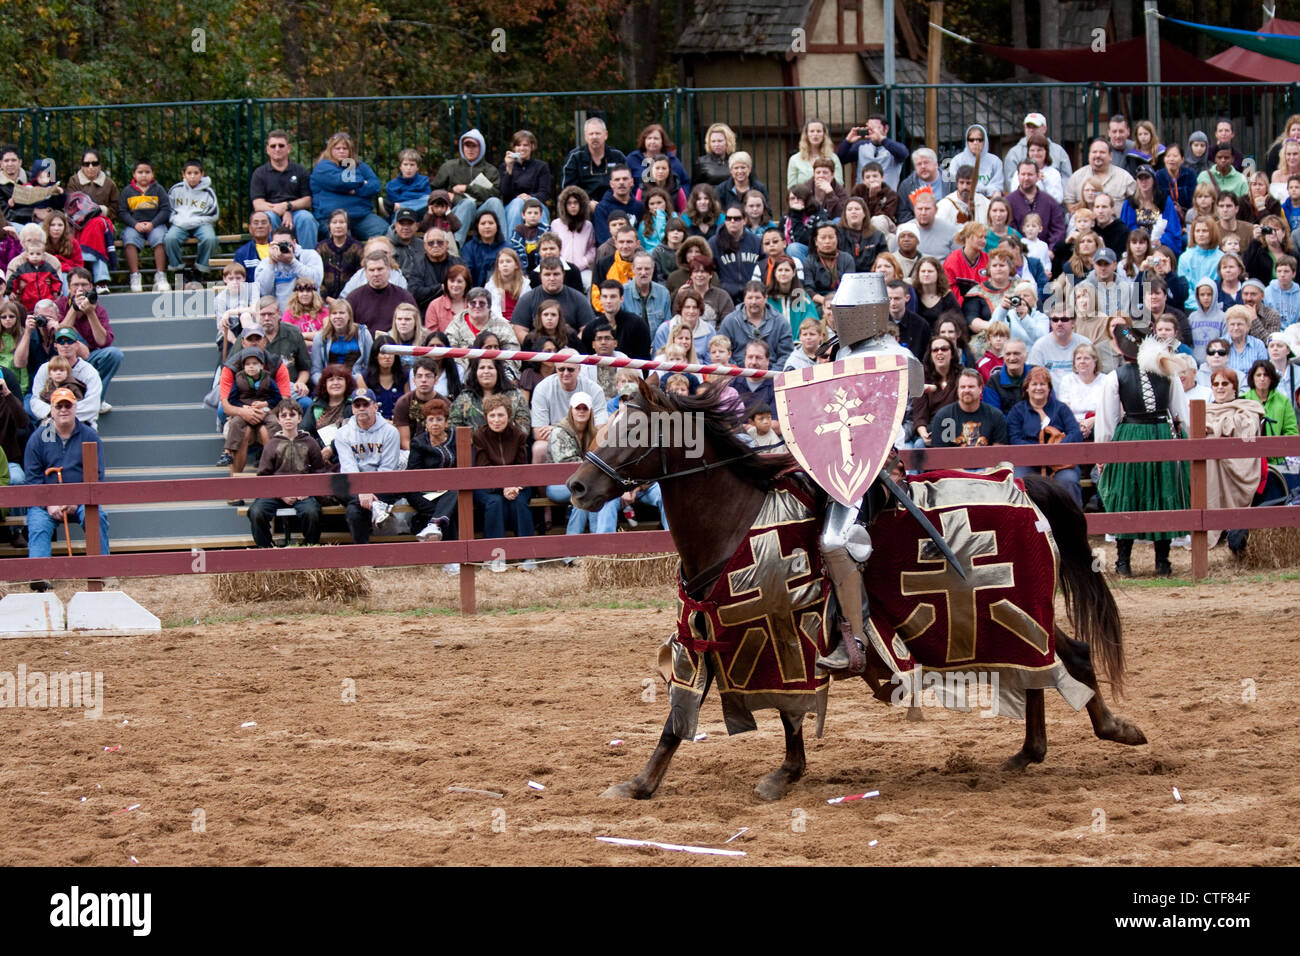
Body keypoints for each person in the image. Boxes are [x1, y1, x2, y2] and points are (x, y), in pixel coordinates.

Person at [1095, 329, 1190, 577]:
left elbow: (1107, 419)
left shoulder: (1115, 377)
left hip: (1131, 434)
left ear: (1121, 351)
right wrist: (1186, 440)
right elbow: (1181, 413)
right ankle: (1162, 562)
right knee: (1162, 490)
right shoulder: (1168, 374)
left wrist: (1103, 452)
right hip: (1160, 433)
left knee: (1128, 491)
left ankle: (1123, 562)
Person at [22, 387, 108, 588]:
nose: (63, 410)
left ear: (75, 407)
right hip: (46, 503)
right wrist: (49, 503)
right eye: (58, 406)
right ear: (51, 410)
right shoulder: (39, 438)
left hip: (81, 501)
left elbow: (97, 476)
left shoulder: (89, 436)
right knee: (38, 523)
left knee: (98, 518)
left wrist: (76, 500)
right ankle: (39, 577)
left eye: (67, 405)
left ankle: (102, 571)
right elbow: (32, 479)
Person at [337, 387, 440, 542]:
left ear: (375, 406)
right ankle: (376, 509)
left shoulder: (390, 432)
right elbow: (348, 467)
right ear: (352, 409)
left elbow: (387, 469)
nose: (361, 409)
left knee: (354, 510)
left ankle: (363, 557)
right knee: (341, 489)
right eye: (357, 405)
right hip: (355, 485)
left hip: (382, 485)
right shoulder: (343, 433)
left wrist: (368, 491)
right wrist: (363, 490)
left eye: (366, 404)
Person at [247, 399, 327, 548]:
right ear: (278, 420)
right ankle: (266, 548)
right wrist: (280, 494)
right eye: (284, 415)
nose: (288, 418)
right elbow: (264, 477)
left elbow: (319, 471)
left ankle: (309, 547)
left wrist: (308, 491)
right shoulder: (272, 444)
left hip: (303, 493)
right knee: (256, 511)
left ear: (300, 418)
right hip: (276, 492)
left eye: (292, 415)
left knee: (312, 512)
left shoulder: (310, 442)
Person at [1205, 367, 1265, 554]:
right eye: (1216, 384)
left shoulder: (1247, 408)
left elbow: (1247, 430)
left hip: (1238, 463)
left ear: (1234, 388)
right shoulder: (1204, 409)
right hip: (1210, 466)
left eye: (1225, 384)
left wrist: (1214, 430)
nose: (1220, 388)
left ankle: (1233, 527)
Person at [1006, 365, 1084, 506]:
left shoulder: (1061, 408)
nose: (1038, 388)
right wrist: (1039, 452)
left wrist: (1056, 449)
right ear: (1027, 388)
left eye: (1043, 384)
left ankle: (1073, 523)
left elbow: (1075, 432)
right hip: (1028, 461)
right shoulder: (1017, 411)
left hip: (1060, 462)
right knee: (1019, 481)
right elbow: (1015, 439)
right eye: (1034, 384)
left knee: (1069, 480)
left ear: (1049, 388)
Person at [54, 268, 123, 413]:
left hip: (90, 357)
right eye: (76, 285)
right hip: (65, 356)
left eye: (84, 285)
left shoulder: (99, 309)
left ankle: (97, 399)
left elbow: (103, 342)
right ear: (69, 287)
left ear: (91, 286)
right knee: (69, 337)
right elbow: (60, 333)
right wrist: (74, 308)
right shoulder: (60, 304)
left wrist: (90, 312)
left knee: (114, 354)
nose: (80, 289)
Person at [543, 390, 610, 535]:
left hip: (584, 483)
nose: (581, 411)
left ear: (590, 411)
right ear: (571, 410)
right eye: (577, 408)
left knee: (589, 495)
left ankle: (596, 543)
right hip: (558, 484)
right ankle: (573, 549)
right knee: (586, 494)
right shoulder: (559, 432)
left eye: (585, 408)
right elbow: (567, 463)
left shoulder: (594, 433)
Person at [309, 132, 386, 240]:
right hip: (331, 219)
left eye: (345, 148)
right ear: (330, 150)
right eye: (337, 148)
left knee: (384, 232)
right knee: (343, 241)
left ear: (350, 150)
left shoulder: (360, 166)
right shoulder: (322, 167)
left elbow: (375, 186)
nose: (341, 151)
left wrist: (356, 191)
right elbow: (340, 182)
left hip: (361, 216)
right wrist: (361, 181)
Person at [251, 129, 317, 249]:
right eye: (273, 146)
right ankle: (275, 259)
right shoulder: (260, 173)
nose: (277, 149)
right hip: (272, 212)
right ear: (267, 149)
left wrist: (288, 207)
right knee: (268, 218)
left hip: (296, 212)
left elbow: (307, 200)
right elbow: (258, 204)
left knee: (307, 218)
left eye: (281, 145)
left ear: (288, 148)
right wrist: (281, 210)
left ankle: (308, 260)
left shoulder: (300, 170)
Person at [117, 158, 171, 292]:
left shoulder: (158, 190)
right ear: (134, 174)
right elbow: (122, 212)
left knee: (160, 238)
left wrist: (153, 223)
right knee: (129, 239)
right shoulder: (127, 191)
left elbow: (165, 210)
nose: (144, 175)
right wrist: (135, 224)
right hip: (135, 226)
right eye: (140, 172)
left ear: (152, 174)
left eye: (147, 172)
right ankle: (135, 276)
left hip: (155, 225)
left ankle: (160, 276)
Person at [28, 328, 101, 427]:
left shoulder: (89, 372)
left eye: (70, 341)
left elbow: (92, 405)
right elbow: (35, 400)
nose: (66, 345)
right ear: (55, 345)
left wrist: (64, 416)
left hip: (81, 423)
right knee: (45, 438)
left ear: (77, 345)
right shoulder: (45, 368)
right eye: (61, 342)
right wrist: (54, 414)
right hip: (50, 422)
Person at [450, 352, 532, 433]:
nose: (486, 371)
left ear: (498, 371)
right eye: (482, 368)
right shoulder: (465, 397)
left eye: (490, 367)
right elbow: (453, 427)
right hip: (473, 445)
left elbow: (524, 428)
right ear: (475, 372)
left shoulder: (515, 395)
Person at [930, 366, 1009, 448]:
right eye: (962, 387)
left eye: (971, 387)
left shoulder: (995, 416)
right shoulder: (944, 417)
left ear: (980, 389)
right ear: (957, 390)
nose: (966, 390)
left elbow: (999, 453)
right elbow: (940, 455)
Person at [255, 222, 326, 310]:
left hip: (307, 314)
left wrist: (292, 262)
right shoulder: (266, 263)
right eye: (278, 244)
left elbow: (316, 282)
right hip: (279, 316)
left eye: (285, 243)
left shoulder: (309, 255)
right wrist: (271, 263)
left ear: (294, 242)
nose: (282, 247)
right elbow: (264, 292)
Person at [560, 116, 627, 207]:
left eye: (598, 133)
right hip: (583, 207)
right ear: (585, 136)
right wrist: (586, 203)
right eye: (591, 134)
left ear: (606, 135)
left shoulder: (617, 157)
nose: (594, 137)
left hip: (614, 205)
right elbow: (568, 190)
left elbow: (627, 183)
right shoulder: (575, 157)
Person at [345, 251, 417, 335]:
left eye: (380, 269)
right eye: (372, 270)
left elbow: (416, 325)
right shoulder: (354, 298)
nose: (376, 274)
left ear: (389, 269)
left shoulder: (404, 296)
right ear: (365, 272)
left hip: (395, 345)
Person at [1001, 113, 1075, 192]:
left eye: (1035, 127)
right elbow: (1010, 181)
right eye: (1028, 127)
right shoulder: (1013, 153)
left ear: (1044, 129)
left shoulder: (1059, 151)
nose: (1031, 130)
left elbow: (1067, 178)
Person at [1244, 359, 1299, 464]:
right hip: (1250, 463)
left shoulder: (1283, 401)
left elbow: (1291, 432)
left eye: (1266, 375)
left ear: (1272, 378)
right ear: (1252, 378)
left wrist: (1277, 450)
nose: (1262, 378)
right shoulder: (1243, 400)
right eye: (1258, 375)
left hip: (1277, 462)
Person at [310, 298, 372, 389]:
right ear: (329, 317)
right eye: (334, 313)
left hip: (356, 381)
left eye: (342, 313)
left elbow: (370, 365)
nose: (338, 316)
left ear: (349, 316)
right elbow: (316, 371)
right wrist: (325, 384)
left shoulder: (363, 333)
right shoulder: (320, 337)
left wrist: (360, 379)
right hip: (330, 384)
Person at [1065, 138, 1136, 206]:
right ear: (1089, 155)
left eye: (1102, 152)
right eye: (1094, 152)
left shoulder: (1124, 178)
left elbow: (1136, 201)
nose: (1098, 155)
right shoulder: (1077, 177)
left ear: (1110, 156)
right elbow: (1069, 202)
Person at [1029, 311, 1090, 390]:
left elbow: (1092, 375)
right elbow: (1034, 377)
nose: (1059, 323)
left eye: (1064, 319)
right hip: (1050, 398)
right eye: (1055, 319)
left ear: (1073, 322)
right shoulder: (1040, 346)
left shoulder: (1085, 344)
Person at [787, 118, 842, 191]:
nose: (815, 134)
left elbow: (839, 184)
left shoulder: (833, 158)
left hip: (828, 199)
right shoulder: (794, 159)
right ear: (806, 135)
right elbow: (791, 187)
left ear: (824, 135)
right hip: (803, 200)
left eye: (819, 131)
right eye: (812, 131)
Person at [896, 148, 947, 223]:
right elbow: (902, 215)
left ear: (935, 164)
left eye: (926, 163)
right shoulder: (906, 185)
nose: (923, 166)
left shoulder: (951, 181)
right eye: (919, 164)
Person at [692, 123, 735, 188]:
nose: (716, 144)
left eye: (720, 141)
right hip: (711, 197)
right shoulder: (701, 162)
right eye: (713, 141)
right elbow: (695, 188)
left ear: (728, 141)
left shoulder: (737, 159)